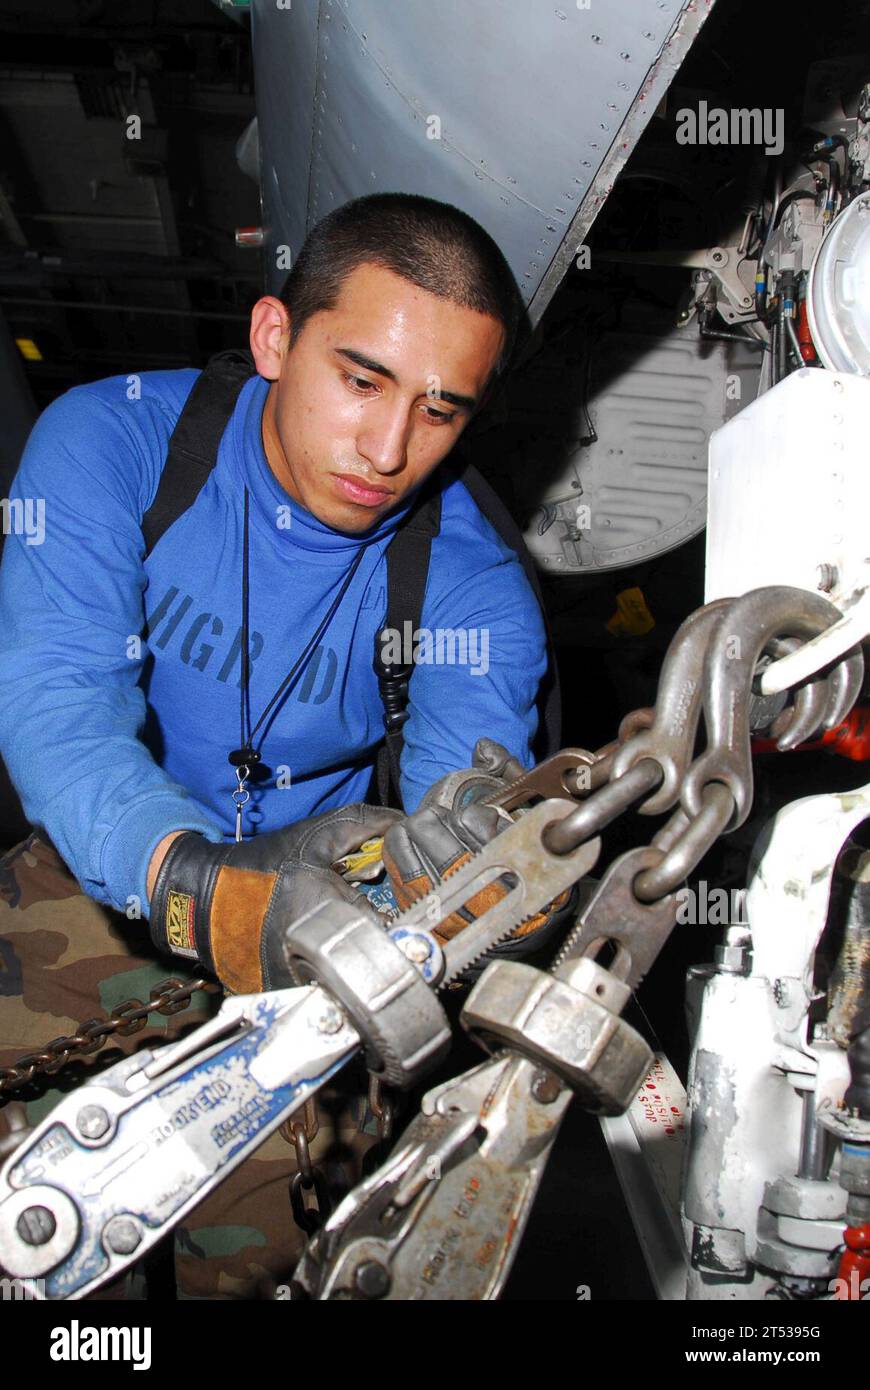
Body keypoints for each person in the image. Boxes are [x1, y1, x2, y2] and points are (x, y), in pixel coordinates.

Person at [0, 192, 550, 1298]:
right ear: (273, 338)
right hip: (106, 860)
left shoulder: (480, 592)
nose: (391, 449)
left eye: (442, 410)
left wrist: (442, 893)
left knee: (242, 1266)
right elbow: (59, 706)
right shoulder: (115, 443)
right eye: (361, 379)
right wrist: (201, 882)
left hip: (323, 927)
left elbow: (466, 842)